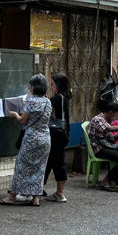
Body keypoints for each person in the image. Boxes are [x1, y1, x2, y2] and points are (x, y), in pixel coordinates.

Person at [0, 74, 52, 206]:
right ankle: (35, 198)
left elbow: (23, 120)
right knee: (39, 168)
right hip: (45, 138)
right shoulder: (47, 102)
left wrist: (15, 114)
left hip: (31, 138)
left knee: (21, 166)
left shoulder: (31, 101)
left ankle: (12, 196)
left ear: (33, 87)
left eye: (30, 85)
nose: (29, 87)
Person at [44, 73, 71, 202]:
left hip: (55, 135)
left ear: (58, 85)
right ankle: (53, 192)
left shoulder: (56, 99)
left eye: (53, 84)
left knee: (55, 162)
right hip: (63, 134)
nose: (51, 86)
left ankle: (59, 194)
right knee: (54, 161)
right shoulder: (65, 98)